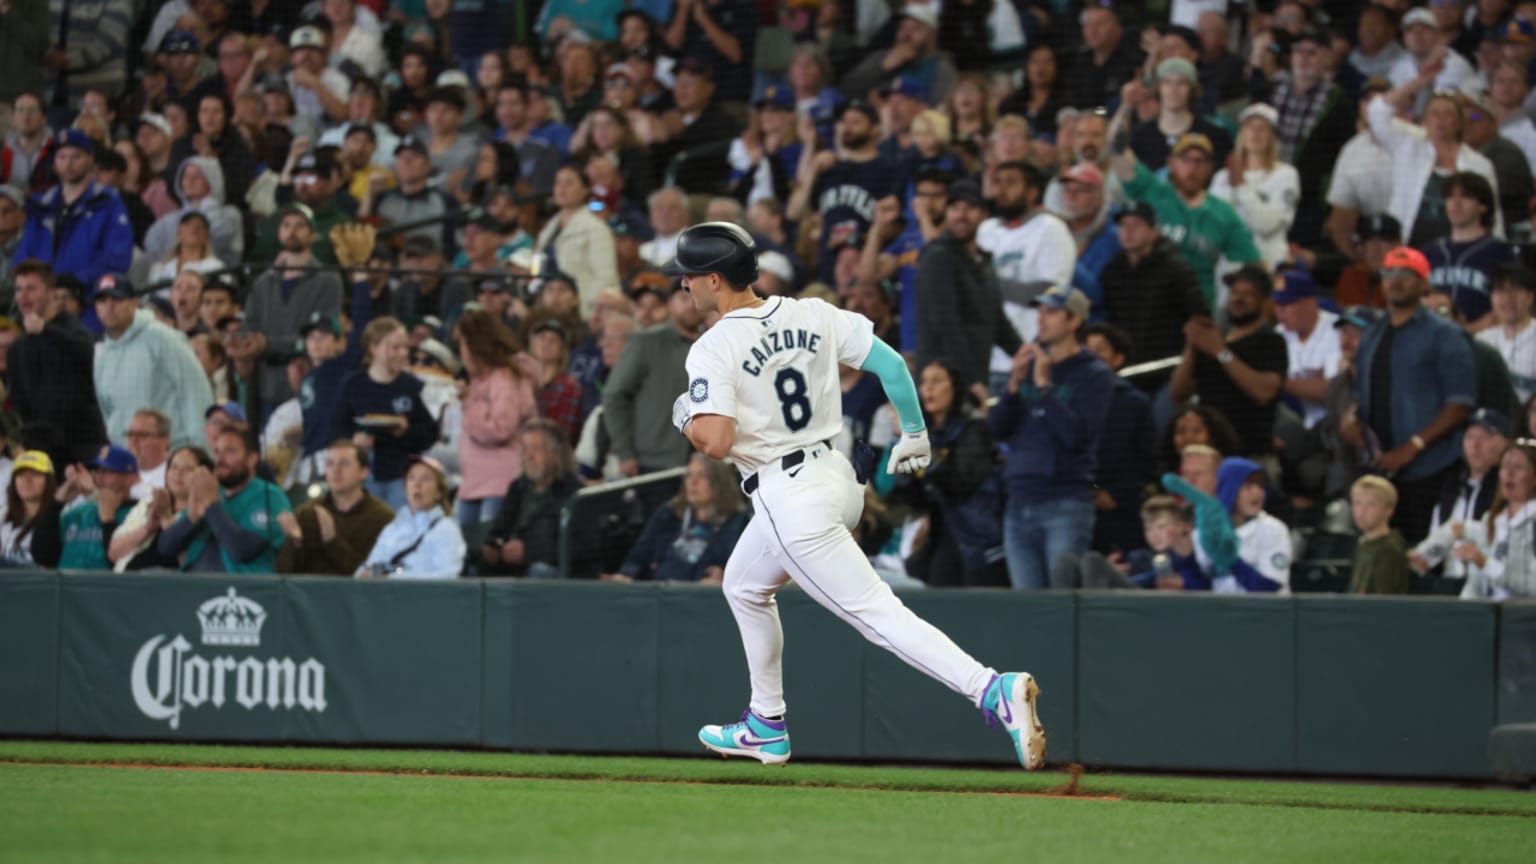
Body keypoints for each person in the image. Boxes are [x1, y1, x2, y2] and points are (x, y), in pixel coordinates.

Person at [666, 221, 1044, 769]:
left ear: (716, 280)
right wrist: (915, 431)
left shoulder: (712, 346)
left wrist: (684, 416)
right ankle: (765, 723)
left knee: (878, 616)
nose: (684, 286)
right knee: (744, 586)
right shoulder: (811, 311)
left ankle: (990, 689)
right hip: (837, 478)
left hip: (788, 497)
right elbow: (891, 364)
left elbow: (717, 441)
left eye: (689, 277)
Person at [990, 288, 1114, 590]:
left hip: (1065, 502)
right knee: (1029, 610)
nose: (1040, 319)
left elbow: (1076, 437)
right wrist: (1014, 385)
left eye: (1051, 312)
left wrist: (1044, 388)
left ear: (1074, 321)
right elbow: (997, 429)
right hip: (1019, 501)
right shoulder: (1028, 366)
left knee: (1062, 604)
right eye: (1040, 312)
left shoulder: (1094, 374)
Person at [1352, 247, 1478, 544]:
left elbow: (1460, 402)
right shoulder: (1372, 333)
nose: (1395, 281)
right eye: (1389, 274)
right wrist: (1354, 423)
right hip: (1380, 467)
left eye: (1406, 275)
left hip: (1429, 468)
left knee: (1421, 555)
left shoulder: (1445, 334)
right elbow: (1363, 390)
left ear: (1424, 284)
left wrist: (1413, 446)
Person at [1111, 126, 1262, 310]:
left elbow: (1253, 262)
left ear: (1210, 168)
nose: (1193, 168)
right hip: (1149, 303)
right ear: (1171, 163)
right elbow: (1119, 154)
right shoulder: (1153, 192)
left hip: (1197, 308)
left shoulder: (1224, 213)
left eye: (1200, 161)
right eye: (1186, 159)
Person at [1170, 265, 1289, 465]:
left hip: (1252, 455)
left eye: (1248, 293)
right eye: (1234, 292)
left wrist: (1220, 352)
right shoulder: (1215, 341)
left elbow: (1264, 392)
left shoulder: (1271, 341)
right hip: (1209, 457)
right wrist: (1193, 345)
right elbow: (1178, 393)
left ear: (1265, 301)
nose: (1238, 298)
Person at [913, 178, 1023, 391]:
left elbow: (998, 323)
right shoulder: (938, 257)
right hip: (941, 385)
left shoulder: (983, 262)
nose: (961, 215)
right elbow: (946, 325)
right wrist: (971, 380)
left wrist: (1026, 355)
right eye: (955, 208)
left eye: (970, 208)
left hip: (972, 379)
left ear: (984, 215)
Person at [602, 285, 702, 508]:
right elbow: (614, 395)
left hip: (702, 462)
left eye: (694, 297)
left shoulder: (713, 342)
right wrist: (624, 451)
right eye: (683, 298)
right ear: (669, 305)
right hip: (654, 464)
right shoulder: (647, 342)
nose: (690, 304)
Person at [91, 274, 213, 452]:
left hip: (171, 455)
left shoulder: (160, 337)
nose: (109, 307)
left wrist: (201, 451)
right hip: (129, 459)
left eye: (117, 299)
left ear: (134, 304)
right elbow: (107, 413)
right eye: (102, 300)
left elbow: (195, 390)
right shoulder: (101, 354)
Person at [11, 130, 133, 303]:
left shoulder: (108, 202)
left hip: (87, 301)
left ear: (91, 159)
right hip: (40, 303)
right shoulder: (41, 205)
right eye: (62, 157)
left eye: (76, 157)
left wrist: (74, 281)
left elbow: (117, 259)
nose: (68, 164)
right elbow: (23, 255)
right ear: (54, 162)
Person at [8, 260, 107, 467]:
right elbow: (19, 401)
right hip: (43, 453)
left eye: (31, 288)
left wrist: (46, 329)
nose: (23, 296)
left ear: (52, 293)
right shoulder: (18, 347)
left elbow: (91, 355)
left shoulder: (75, 331)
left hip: (83, 450)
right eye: (19, 289)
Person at [335, 317, 440, 511]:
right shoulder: (353, 386)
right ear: (374, 348)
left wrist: (406, 430)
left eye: (405, 348)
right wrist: (353, 440)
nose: (402, 353)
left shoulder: (412, 386)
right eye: (395, 348)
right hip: (361, 479)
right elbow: (335, 429)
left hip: (400, 479)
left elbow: (430, 434)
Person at [157, 424, 290, 573]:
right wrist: (192, 518)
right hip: (194, 587)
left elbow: (241, 550)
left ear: (252, 459)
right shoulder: (212, 491)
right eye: (217, 451)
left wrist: (212, 505)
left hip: (241, 591)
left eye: (230, 451)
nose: (220, 459)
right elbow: (166, 548)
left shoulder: (269, 495)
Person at [455, 307, 540, 533]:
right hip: (475, 482)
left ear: (475, 345)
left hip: (500, 483)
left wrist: (471, 403)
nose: (460, 353)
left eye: (462, 345)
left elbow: (500, 427)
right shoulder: (481, 380)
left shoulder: (504, 377)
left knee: (486, 557)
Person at [602, 454, 749, 583]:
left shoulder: (737, 521)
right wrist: (625, 575)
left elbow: (742, 571)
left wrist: (724, 578)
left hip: (700, 599)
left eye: (702, 476)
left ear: (719, 483)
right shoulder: (668, 514)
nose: (693, 482)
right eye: (689, 475)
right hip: (658, 594)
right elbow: (640, 555)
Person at [1097, 201, 1206, 369]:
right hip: (1127, 367)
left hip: (1169, 366)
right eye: (1123, 225)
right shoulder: (1112, 272)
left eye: (1137, 225)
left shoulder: (1176, 269)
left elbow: (1198, 316)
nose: (1128, 231)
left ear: (1154, 231)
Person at [1084, 323, 1158, 556]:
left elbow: (1147, 459)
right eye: (1086, 350)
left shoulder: (1135, 404)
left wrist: (1115, 494)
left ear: (1117, 359)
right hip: (1079, 504)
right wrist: (1094, 489)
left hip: (1122, 510)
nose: (1091, 356)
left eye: (1100, 349)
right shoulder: (1068, 400)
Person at [273, 440, 393, 576]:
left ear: (364, 472)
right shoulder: (308, 513)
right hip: (309, 594)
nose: (336, 471)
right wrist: (295, 542)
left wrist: (332, 541)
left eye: (344, 464)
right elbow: (283, 573)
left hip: (357, 595)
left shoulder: (382, 518)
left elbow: (371, 576)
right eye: (330, 464)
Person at [481, 419, 582, 578]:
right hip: (514, 568)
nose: (529, 456)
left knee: (539, 570)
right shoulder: (518, 487)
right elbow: (499, 529)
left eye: (536, 449)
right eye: (525, 449)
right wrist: (492, 546)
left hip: (553, 573)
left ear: (556, 454)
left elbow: (582, 549)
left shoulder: (573, 493)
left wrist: (529, 552)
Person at [1209, 104, 1300, 269]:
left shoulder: (1286, 175)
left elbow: (1267, 226)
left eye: (1263, 128)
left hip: (1268, 263)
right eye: (1250, 127)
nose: (1255, 133)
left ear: (1273, 136)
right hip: (1227, 264)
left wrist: (1241, 186)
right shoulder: (1221, 177)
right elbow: (1214, 226)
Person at [1423, 172, 1517, 329]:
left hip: (1483, 341)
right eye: (1450, 197)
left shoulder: (1501, 252)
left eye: (1466, 196)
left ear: (1483, 206)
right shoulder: (1429, 252)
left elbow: (1508, 307)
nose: (1456, 203)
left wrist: (1466, 334)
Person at [357, 455, 464, 579]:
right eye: (411, 478)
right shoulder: (392, 528)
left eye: (426, 479)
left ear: (439, 492)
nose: (417, 484)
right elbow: (371, 565)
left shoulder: (447, 530)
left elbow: (447, 576)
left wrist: (393, 578)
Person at [105, 444, 207, 572]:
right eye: (173, 467)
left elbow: (188, 561)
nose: (178, 473)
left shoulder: (200, 512)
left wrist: (166, 517)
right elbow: (113, 553)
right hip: (123, 581)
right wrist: (147, 528)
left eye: (188, 469)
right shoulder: (148, 503)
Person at [1455, 441, 1536, 599]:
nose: (1509, 473)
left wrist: (1486, 563)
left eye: (1518, 467)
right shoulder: (1491, 520)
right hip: (1487, 616)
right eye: (1505, 466)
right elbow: (1475, 584)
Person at [535, 165, 618, 316]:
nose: (562, 188)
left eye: (569, 183)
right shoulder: (548, 229)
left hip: (583, 311)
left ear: (585, 190)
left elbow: (606, 278)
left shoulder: (596, 228)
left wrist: (584, 306)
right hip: (548, 308)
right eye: (558, 183)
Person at [56, 445, 139, 571]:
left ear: (131, 479)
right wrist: (56, 504)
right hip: (64, 588)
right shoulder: (79, 512)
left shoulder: (139, 514)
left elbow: (125, 565)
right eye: (97, 471)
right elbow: (42, 554)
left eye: (108, 471)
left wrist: (108, 520)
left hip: (105, 588)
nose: (99, 477)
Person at [1479, 264, 1536, 403]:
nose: (1507, 298)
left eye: (1515, 290)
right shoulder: (1483, 339)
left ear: (1531, 296)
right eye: (1499, 291)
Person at [1349, 475, 1411, 595]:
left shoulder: (1389, 549)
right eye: (1357, 503)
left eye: (1371, 504)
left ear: (1388, 510)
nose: (1362, 511)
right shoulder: (1363, 544)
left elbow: (1384, 601)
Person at [0, 450, 62, 568]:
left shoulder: (62, 515)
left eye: (35, 474)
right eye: (20, 475)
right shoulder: (4, 516)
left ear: (48, 480)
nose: (27, 480)